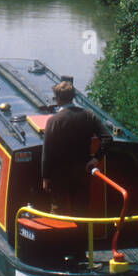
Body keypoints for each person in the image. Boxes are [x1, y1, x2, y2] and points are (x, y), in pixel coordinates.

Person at [41, 79, 112, 216]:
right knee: (81, 211)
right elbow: (107, 138)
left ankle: (58, 237)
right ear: (72, 97)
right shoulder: (89, 116)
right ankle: (82, 236)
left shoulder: (53, 121)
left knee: (57, 210)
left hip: (59, 175)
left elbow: (47, 152)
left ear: (58, 99)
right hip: (82, 171)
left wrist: (45, 177)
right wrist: (96, 159)